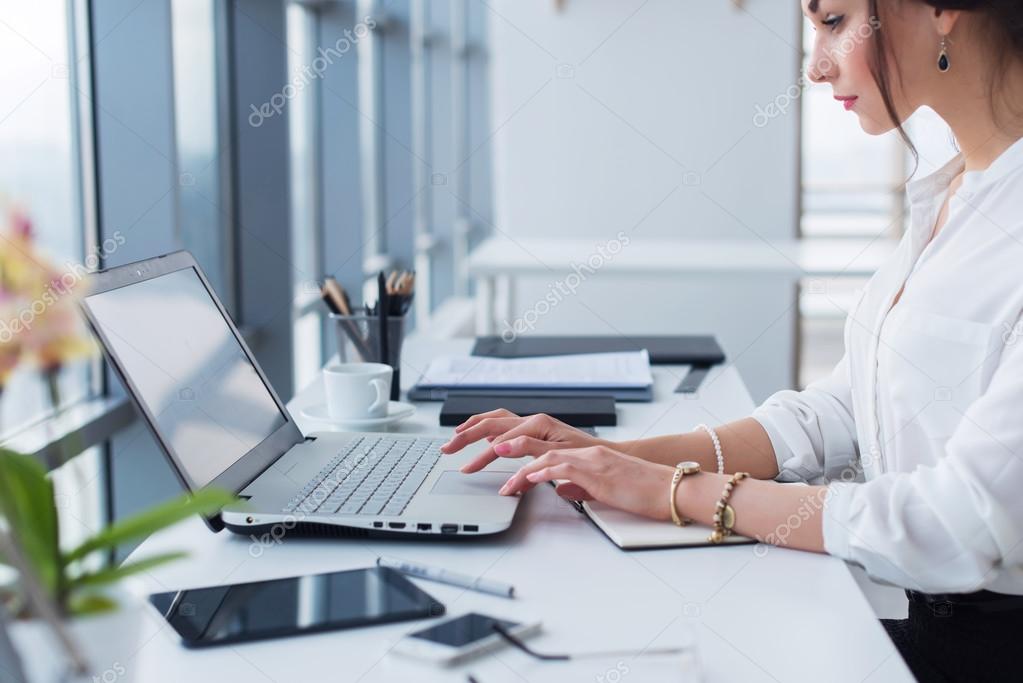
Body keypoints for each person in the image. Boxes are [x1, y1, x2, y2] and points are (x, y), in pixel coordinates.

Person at [441, 1, 1023, 680]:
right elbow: (840, 413)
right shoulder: (949, 184)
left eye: (832, 20)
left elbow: (959, 523)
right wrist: (612, 457)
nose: (813, 65)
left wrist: (679, 493)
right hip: (932, 626)